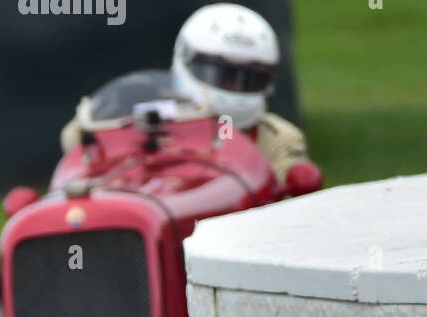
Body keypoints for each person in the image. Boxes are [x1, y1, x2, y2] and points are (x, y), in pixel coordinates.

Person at [59, 4, 319, 189]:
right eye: (222, 74)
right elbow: (75, 139)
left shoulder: (278, 138)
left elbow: (290, 207)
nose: (233, 87)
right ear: (186, 59)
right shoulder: (152, 115)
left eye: (248, 78)